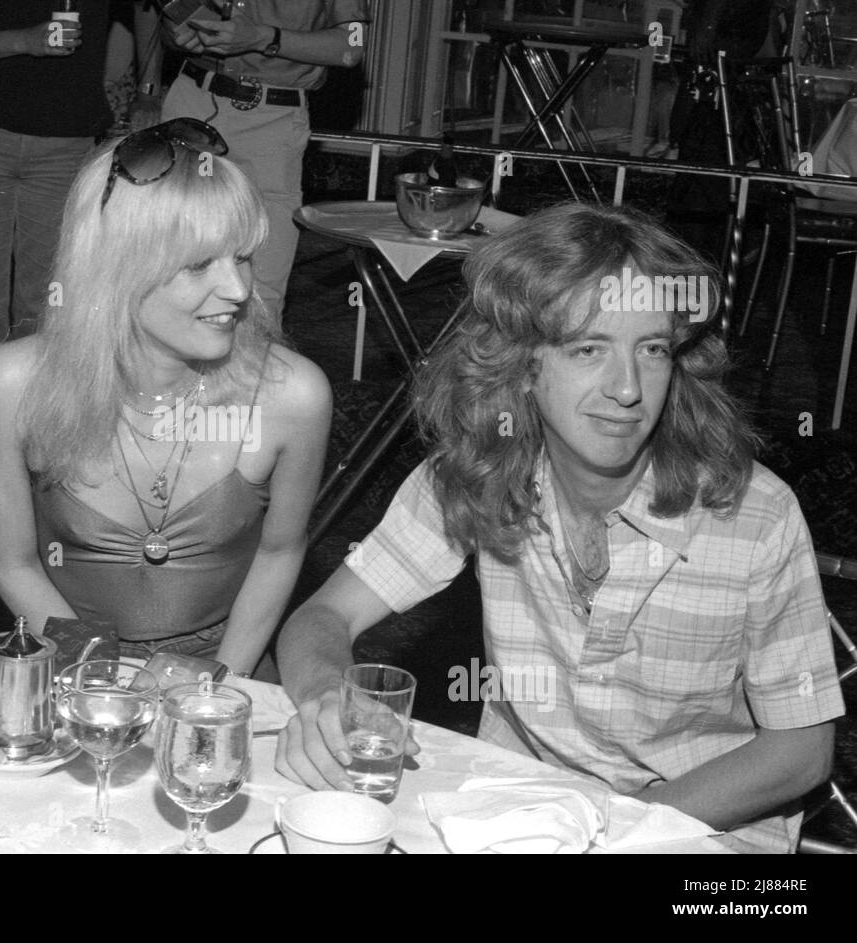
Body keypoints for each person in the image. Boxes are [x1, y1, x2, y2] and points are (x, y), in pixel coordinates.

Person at [274, 203, 845, 852]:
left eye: (651, 349)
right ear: (521, 365)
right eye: (589, 348)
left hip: (697, 830)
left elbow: (801, 749)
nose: (628, 388)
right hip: (515, 809)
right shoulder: (481, 471)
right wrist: (325, 696)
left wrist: (617, 823)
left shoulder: (754, 515)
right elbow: (320, 619)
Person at [0, 120, 332, 676]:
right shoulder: (16, 383)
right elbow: (13, 562)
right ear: (115, 269)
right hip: (68, 668)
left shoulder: (291, 396)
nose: (238, 290)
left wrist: (214, 687)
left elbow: (279, 553)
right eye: (198, 265)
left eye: (242, 257)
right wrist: (106, 676)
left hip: (228, 675)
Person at [0, 0, 162, 418]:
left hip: (67, 142)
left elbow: (148, 9)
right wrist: (24, 40)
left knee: (48, 298)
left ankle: (32, 421)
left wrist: (149, 91)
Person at [156, 0, 370, 319]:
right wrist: (176, 32)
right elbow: (172, 17)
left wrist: (261, 38)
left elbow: (352, 45)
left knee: (258, 292)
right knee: (167, 266)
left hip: (271, 120)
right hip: (190, 101)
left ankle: (248, 366)